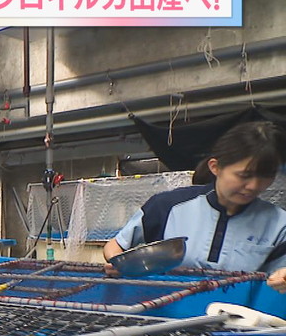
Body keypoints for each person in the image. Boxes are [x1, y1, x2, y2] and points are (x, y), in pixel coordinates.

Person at [103, 121, 286, 292]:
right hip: (164, 312)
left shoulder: (279, 224)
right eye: (244, 175)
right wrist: (119, 264)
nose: (254, 186)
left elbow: (280, 274)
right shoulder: (167, 207)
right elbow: (116, 245)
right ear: (216, 167)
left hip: (238, 317)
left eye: (266, 176)